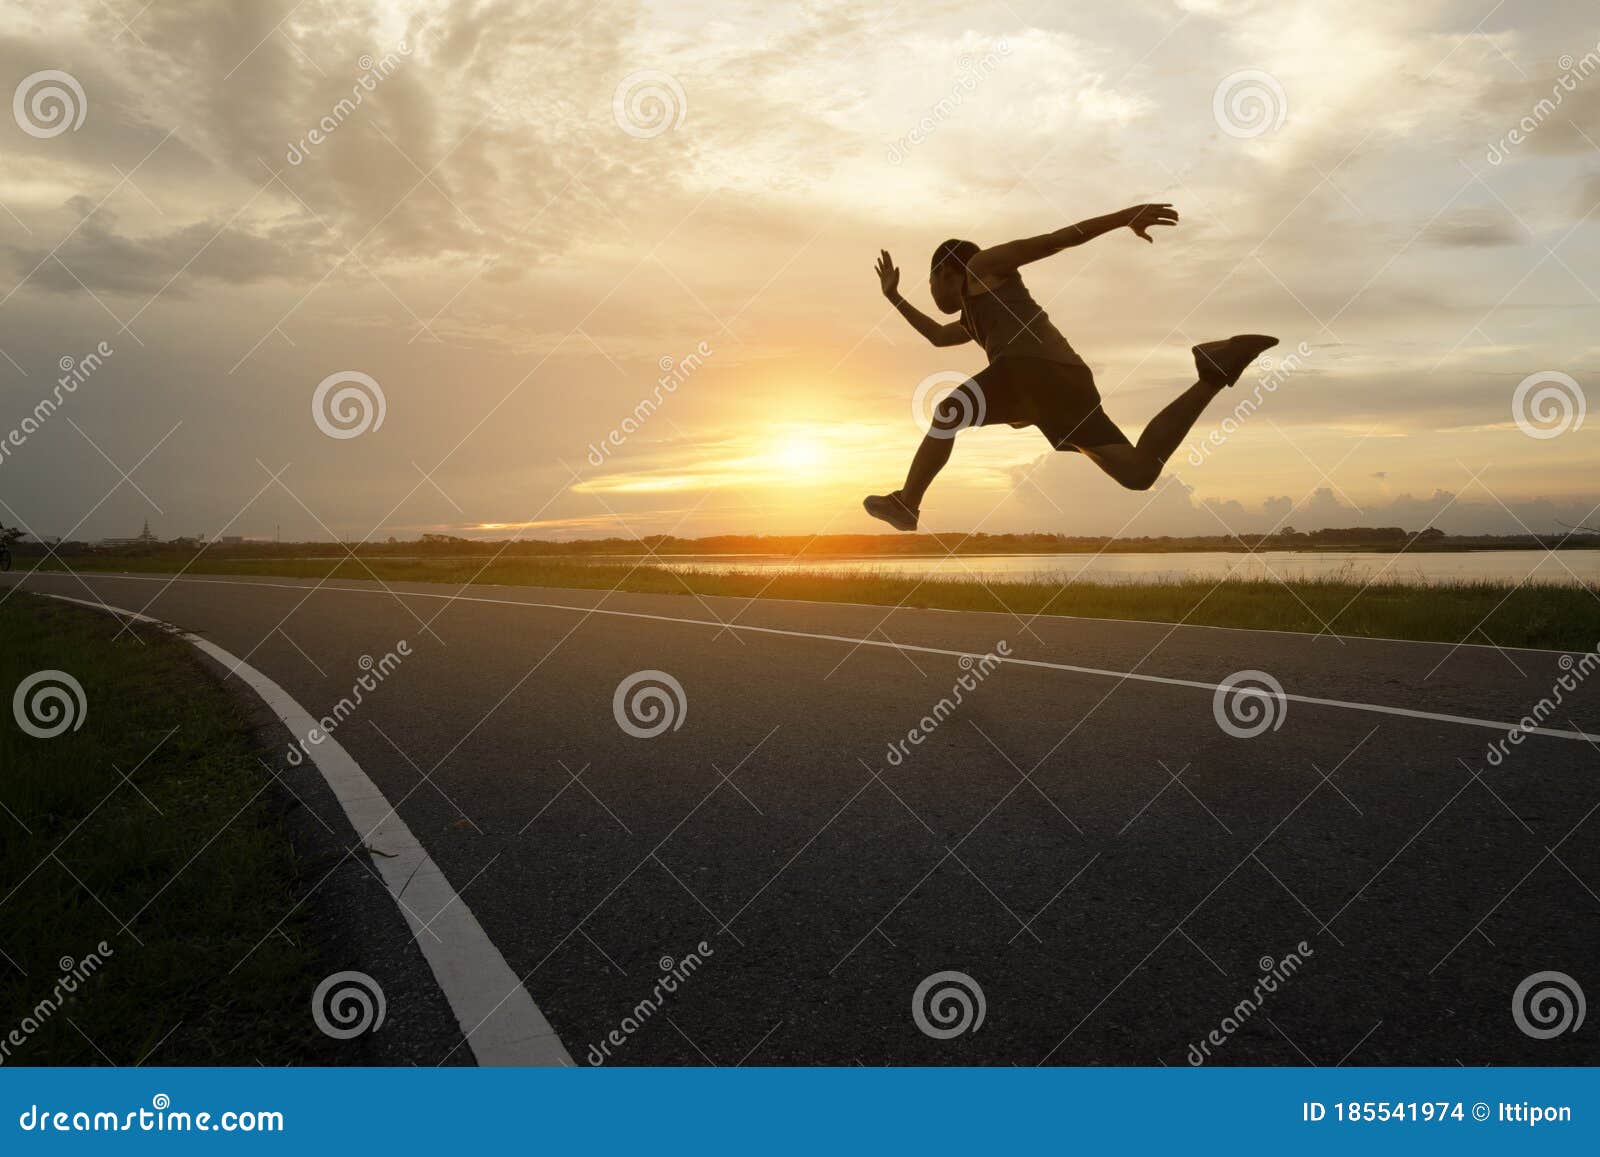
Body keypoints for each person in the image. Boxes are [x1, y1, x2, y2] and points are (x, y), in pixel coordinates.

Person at [864, 204, 1277, 531]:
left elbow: (1052, 241)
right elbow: (938, 336)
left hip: (1032, 372)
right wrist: (893, 298)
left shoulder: (980, 267)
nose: (932, 292)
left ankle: (907, 503)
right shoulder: (974, 316)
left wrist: (1122, 218)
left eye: (929, 283)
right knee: (1137, 472)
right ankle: (1212, 373)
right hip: (1065, 384)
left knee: (948, 412)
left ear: (944, 271)